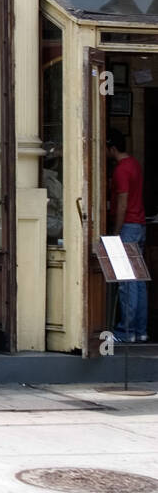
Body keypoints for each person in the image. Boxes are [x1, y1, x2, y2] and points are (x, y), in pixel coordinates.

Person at [107, 129, 148, 343]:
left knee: (126, 282)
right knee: (138, 280)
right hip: (139, 225)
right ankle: (140, 330)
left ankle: (126, 330)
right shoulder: (134, 164)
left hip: (128, 228)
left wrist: (115, 231)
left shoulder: (121, 170)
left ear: (112, 148)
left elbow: (122, 203)